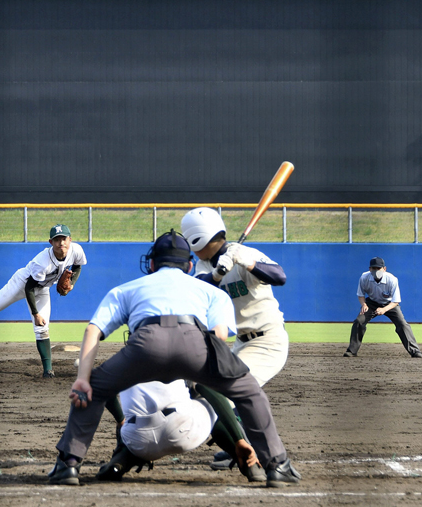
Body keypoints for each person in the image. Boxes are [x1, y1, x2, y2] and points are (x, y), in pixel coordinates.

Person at [47, 230, 300, 488]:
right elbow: (219, 336)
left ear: (152, 264)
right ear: (190, 266)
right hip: (196, 344)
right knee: (249, 393)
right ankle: (277, 465)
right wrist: (208, 371)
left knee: (95, 387)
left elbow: (94, 330)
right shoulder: (209, 290)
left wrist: (83, 380)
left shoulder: (128, 288)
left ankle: (68, 465)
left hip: (144, 345)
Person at [181, 206, 290, 471]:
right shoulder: (204, 266)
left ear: (198, 239)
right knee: (208, 394)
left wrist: (247, 262)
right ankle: (237, 446)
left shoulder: (244, 254)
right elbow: (202, 287)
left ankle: (259, 454)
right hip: (241, 343)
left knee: (227, 392)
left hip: (268, 341)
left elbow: (280, 277)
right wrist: (218, 274)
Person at [0, 224, 86, 378]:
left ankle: (48, 371)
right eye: (57, 240)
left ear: (70, 239)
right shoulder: (42, 262)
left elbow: (77, 266)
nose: (61, 243)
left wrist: (72, 283)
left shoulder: (76, 250)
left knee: (42, 329)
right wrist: (35, 314)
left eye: (64, 239)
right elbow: (29, 288)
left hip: (43, 289)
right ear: (51, 242)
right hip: (23, 283)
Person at [96, 379, 267, 483]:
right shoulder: (180, 351)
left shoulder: (122, 359)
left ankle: (118, 462)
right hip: (180, 431)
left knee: (130, 425)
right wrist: (239, 440)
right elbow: (210, 391)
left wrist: (120, 419)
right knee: (212, 402)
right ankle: (249, 464)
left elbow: (101, 386)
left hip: (137, 440)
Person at [345, 257, 421, 358]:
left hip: (389, 304)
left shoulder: (392, 279)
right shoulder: (364, 277)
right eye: (374, 268)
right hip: (371, 303)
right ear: (370, 269)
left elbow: (396, 300)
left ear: (384, 269)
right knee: (359, 321)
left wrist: (384, 309)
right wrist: (364, 304)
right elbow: (360, 294)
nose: (376, 270)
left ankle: (415, 351)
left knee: (402, 324)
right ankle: (352, 351)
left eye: (379, 268)